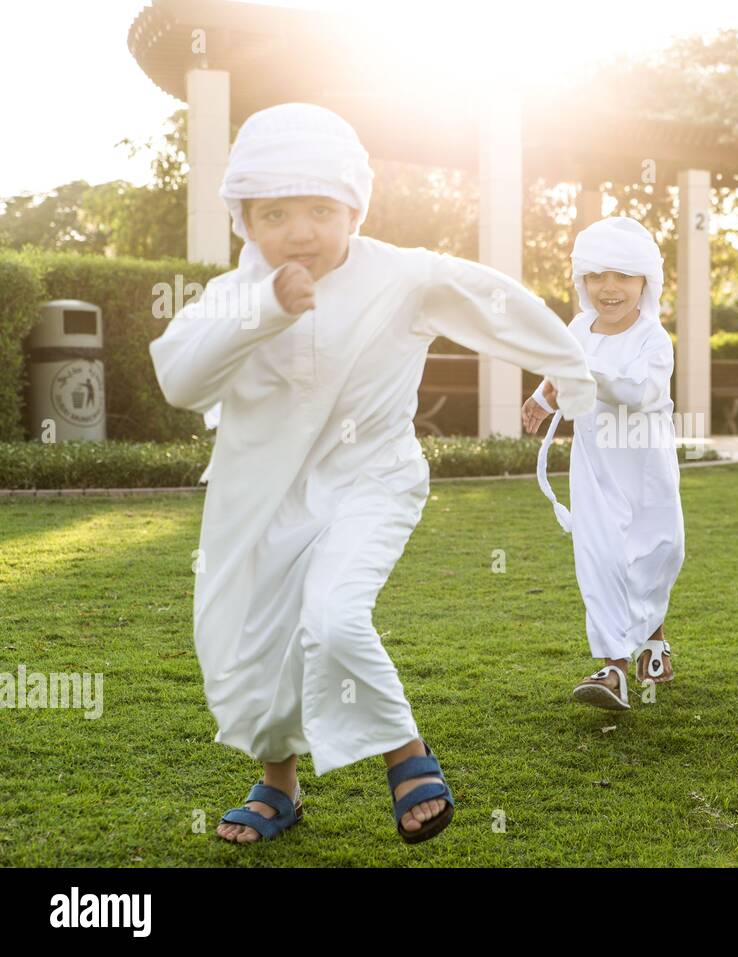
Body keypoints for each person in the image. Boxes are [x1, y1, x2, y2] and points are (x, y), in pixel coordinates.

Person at [149, 103, 595, 844]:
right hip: (261, 498)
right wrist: (264, 308)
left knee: (331, 615)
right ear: (244, 219)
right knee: (255, 638)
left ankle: (406, 750)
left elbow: (496, 302)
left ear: (355, 207)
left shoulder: (403, 274)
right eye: (275, 212)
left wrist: (569, 369)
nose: (298, 230)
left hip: (372, 480)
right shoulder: (233, 293)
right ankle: (277, 784)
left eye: (321, 209)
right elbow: (180, 381)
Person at [522, 218, 684, 711]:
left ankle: (654, 639)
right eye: (595, 276)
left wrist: (581, 372)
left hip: (645, 466)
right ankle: (612, 667)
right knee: (601, 556)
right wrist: (541, 399)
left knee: (654, 553)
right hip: (594, 467)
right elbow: (559, 374)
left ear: (644, 282)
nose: (607, 288)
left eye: (621, 276)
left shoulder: (654, 340)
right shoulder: (576, 329)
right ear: (582, 282)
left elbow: (638, 392)